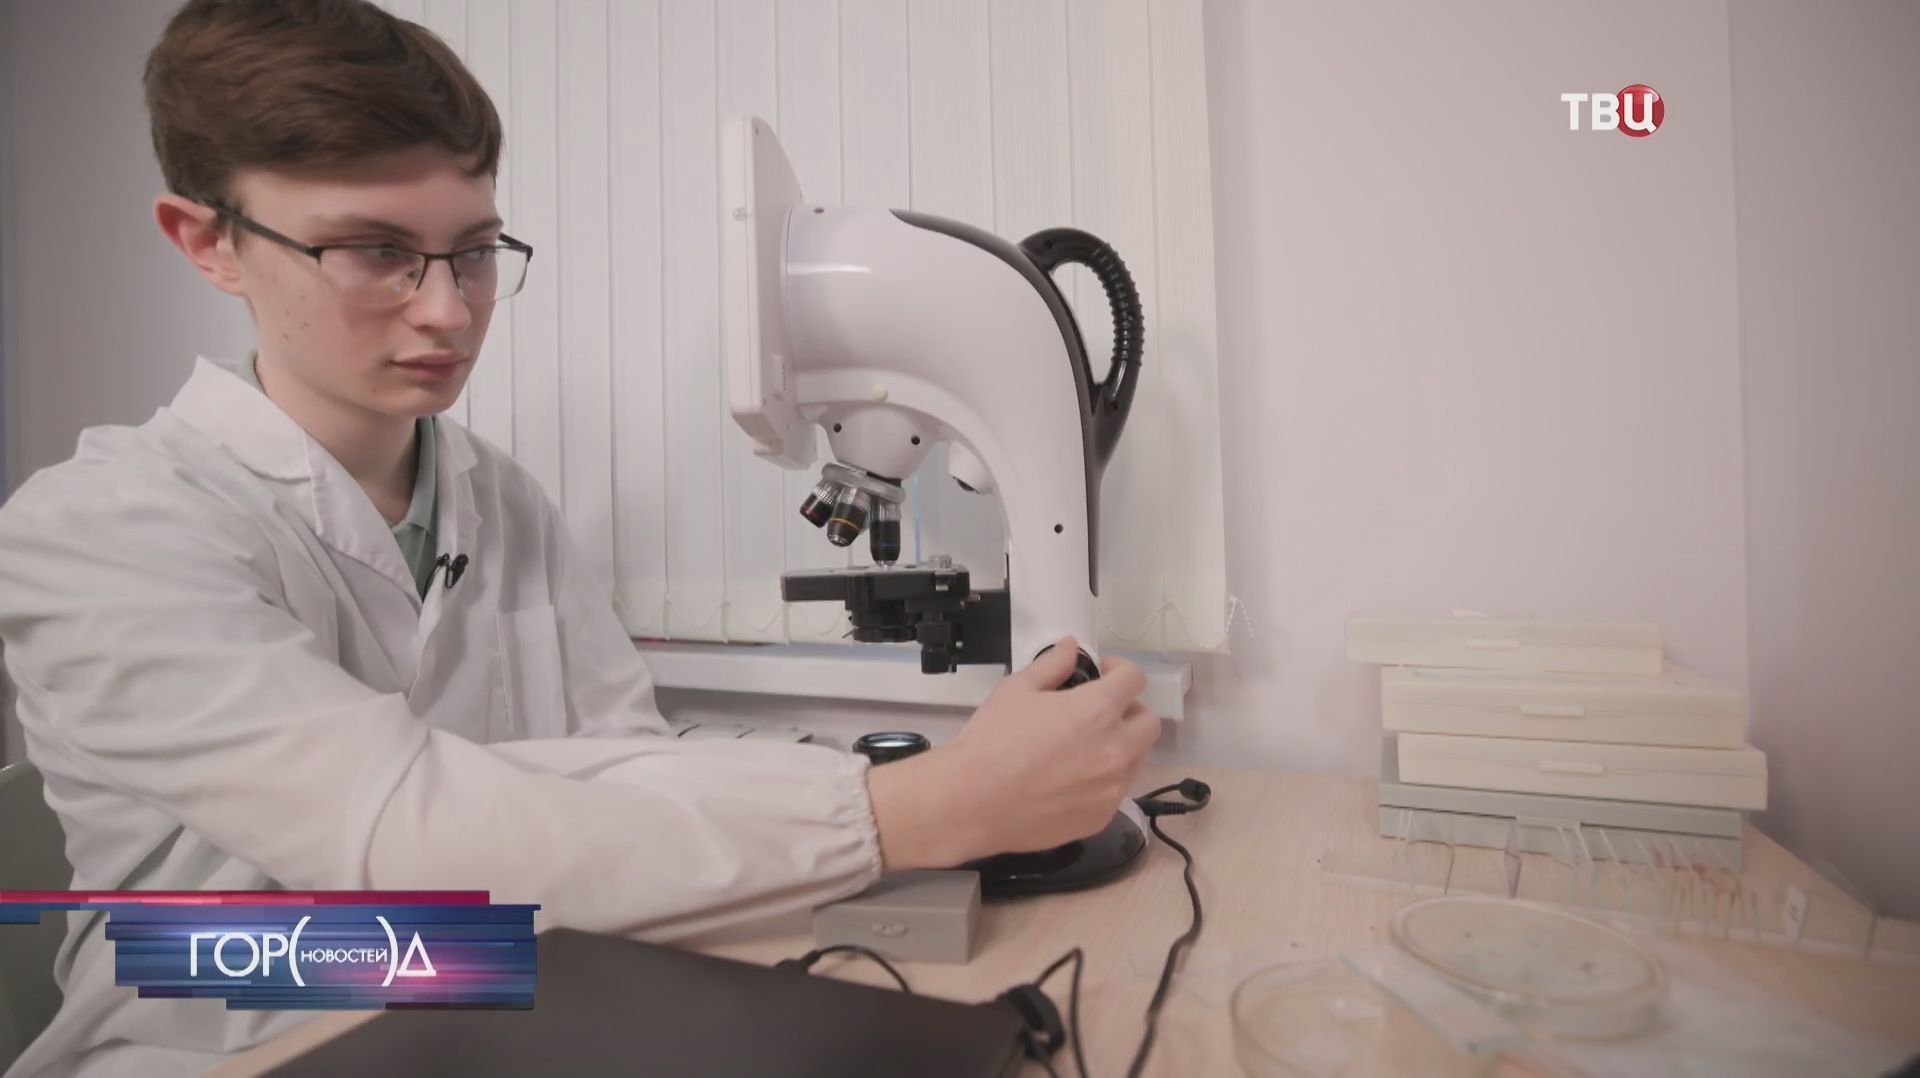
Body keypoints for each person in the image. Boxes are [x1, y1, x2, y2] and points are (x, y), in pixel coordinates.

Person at [0, 1, 1162, 1074]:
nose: (449, 308)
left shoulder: (499, 498)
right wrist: (919, 810)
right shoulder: (97, 534)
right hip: (214, 1030)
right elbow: (403, 832)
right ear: (207, 240)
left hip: (495, 1005)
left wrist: (880, 782)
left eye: (474, 250)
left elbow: (620, 757)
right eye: (376, 251)